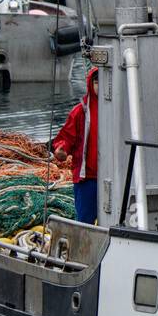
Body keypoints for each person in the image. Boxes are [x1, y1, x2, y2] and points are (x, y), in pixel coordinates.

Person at [53, 67, 99, 224]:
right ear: (90, 84)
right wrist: (61, 149)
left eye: (102, 80)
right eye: (96, 81)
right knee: (85, 221)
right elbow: (66, 137)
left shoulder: (120, 109)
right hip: (87, 179)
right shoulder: (80, 111)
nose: (99, 84)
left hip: (115, 178)